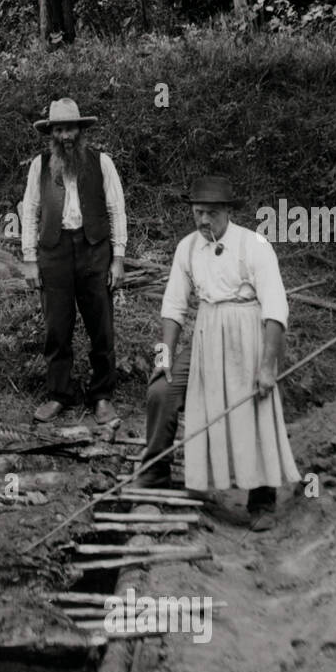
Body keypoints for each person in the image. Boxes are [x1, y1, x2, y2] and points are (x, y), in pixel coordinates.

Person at [138, 175, 301, 532]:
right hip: (206, 334)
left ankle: (261, 500)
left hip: (248, 335)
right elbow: (174, 306)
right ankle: (152, 480)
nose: (203, 220)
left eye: (211, 213)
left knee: (255, 406)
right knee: (160, 392)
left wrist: (267, 365)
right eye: (198, 212)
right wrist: (163, 357)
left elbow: (275, 308)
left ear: (228, 211)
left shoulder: (254, 244)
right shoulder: (188, 247)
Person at [19, 98, 129, 426]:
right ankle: (58, 394)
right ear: (52, 133)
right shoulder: (39, 166)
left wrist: (118, 259)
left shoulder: (101, 163)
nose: (66, 135)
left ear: (81, 131)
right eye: (60, 129)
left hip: (94, 250)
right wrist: (29, 259)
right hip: (53, 253)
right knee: (57, 327)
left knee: (101, 326)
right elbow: (29, 210)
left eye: (71, 129)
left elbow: (116, 210)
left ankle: (102, 396)